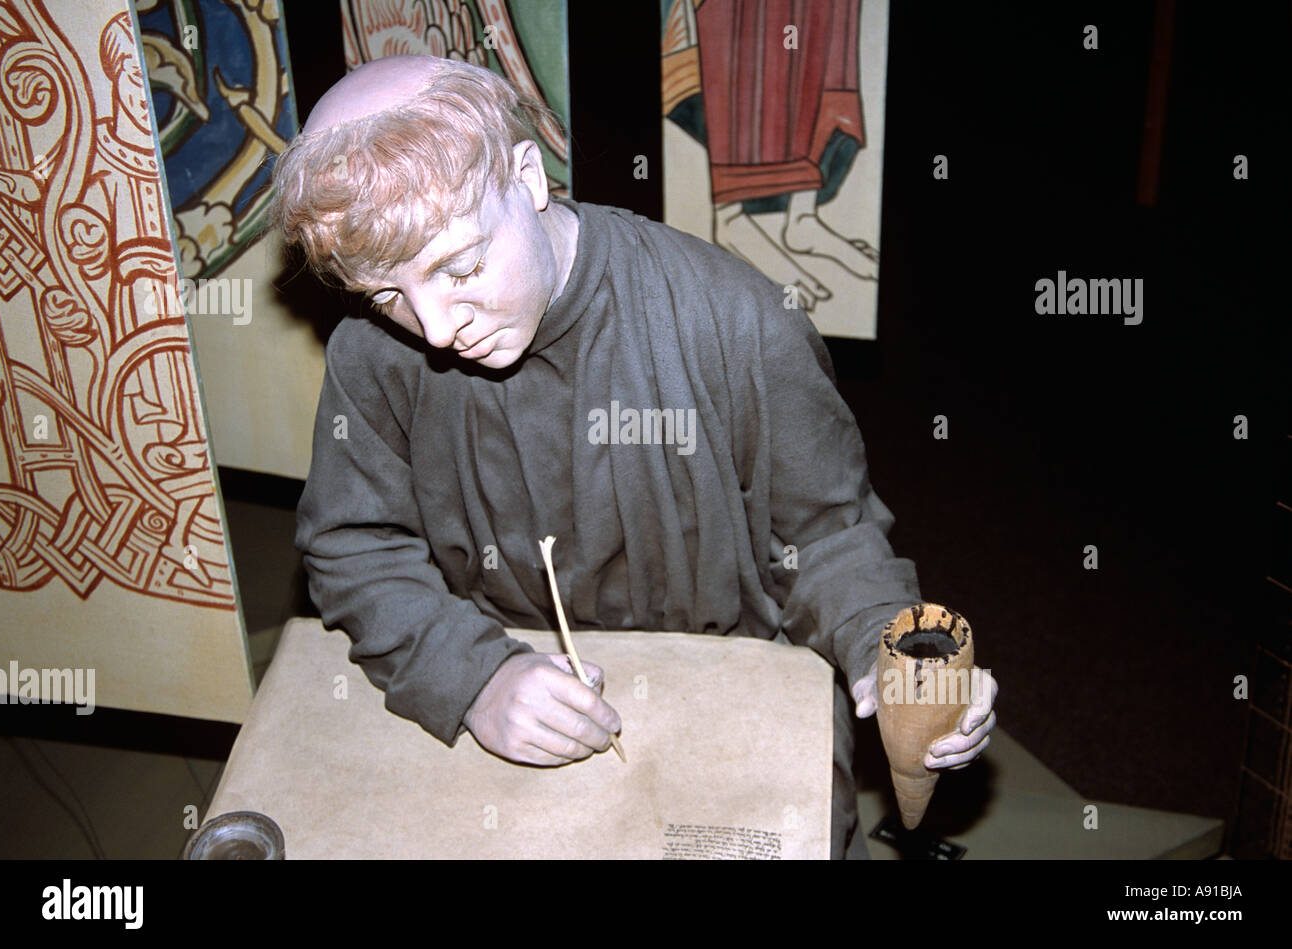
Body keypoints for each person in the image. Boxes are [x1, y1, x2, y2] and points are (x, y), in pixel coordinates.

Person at [273, 54, 997, 859]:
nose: (438, 329)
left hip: (732, 682)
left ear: (527, 175)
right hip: (514, 678)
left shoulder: (736, 323)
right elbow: (352, 545)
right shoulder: (374, 357)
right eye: (388, 294)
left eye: (462, 265)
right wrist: (471, 677)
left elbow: (827, 535)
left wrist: (881, 651)